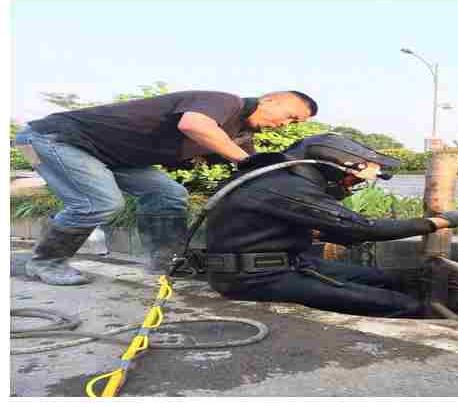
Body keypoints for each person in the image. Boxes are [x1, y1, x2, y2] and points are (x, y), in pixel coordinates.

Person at [14, 90, 318, 285]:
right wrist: (247, 160)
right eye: (289, 116)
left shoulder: (239, 135)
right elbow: (194, 125)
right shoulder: (225, 102)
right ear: (270, 100)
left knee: (169, 194)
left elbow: (249, 172)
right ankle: (46, 262)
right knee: (99, 203)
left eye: (294, 124)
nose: (286, 125)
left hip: (112, 155)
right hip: (51, 139)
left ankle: (166, 260)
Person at [202, 134, 458, 318]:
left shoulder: (276, 179)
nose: (349, 186)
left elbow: (318, 227)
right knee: (403, 305)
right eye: (351, 180)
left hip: (281, 265)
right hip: (254, 279)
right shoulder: (285, 186)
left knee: (392, 280)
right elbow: (364, 228)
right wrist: (440, 222)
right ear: (332, 167)